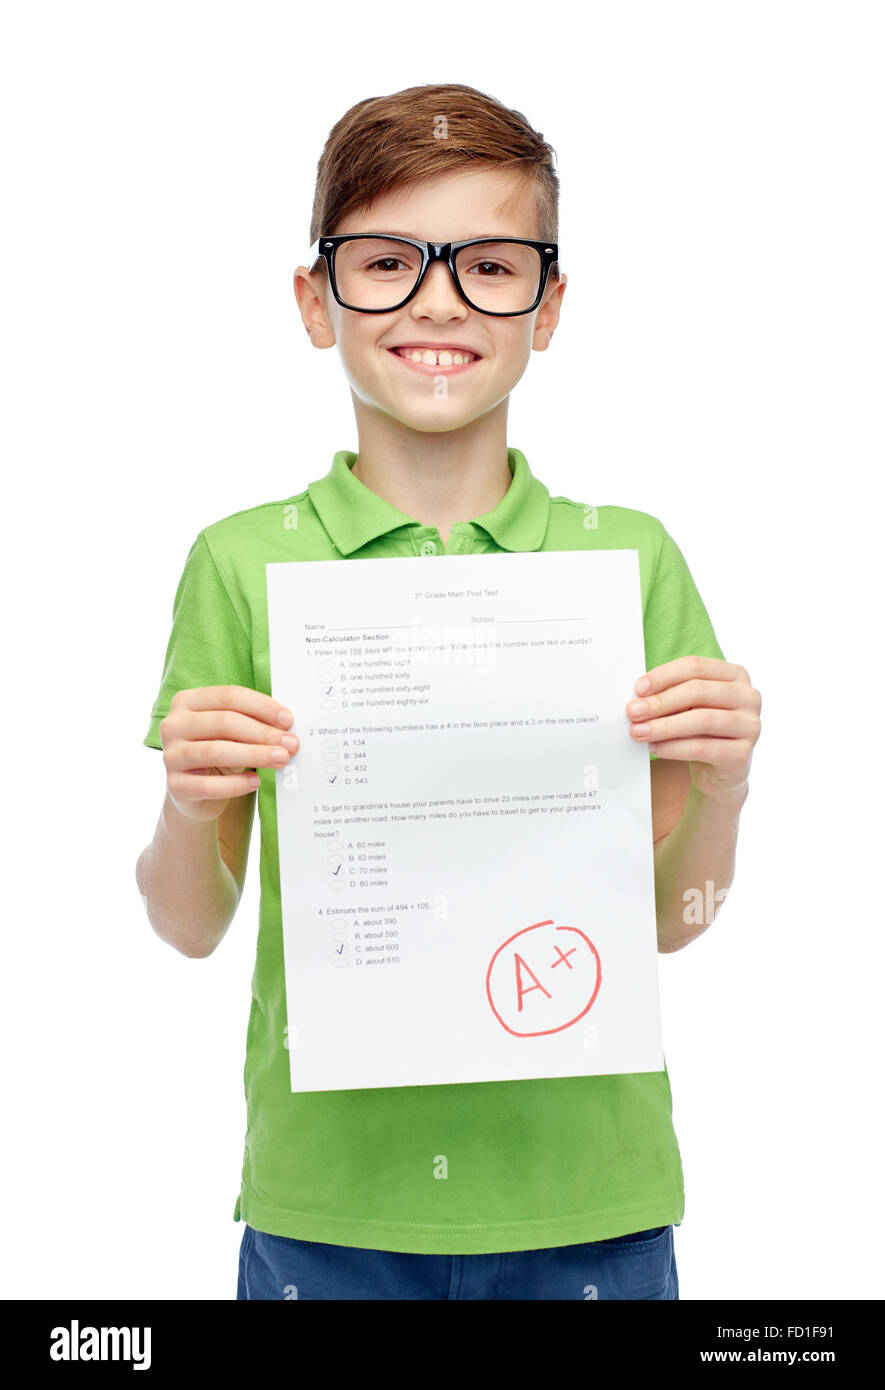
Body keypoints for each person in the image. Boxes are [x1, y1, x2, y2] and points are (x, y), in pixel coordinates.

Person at [136, 82, 761, 1301]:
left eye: (489, 262)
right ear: (317, 302)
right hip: (329, 1206)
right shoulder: (240, 561)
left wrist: (728, 786)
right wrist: (182, 802)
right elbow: (188, 924)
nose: (437, 300)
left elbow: (673, 922)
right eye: (385, 260)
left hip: (589, 1202)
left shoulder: (628, 559)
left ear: (550, 304)